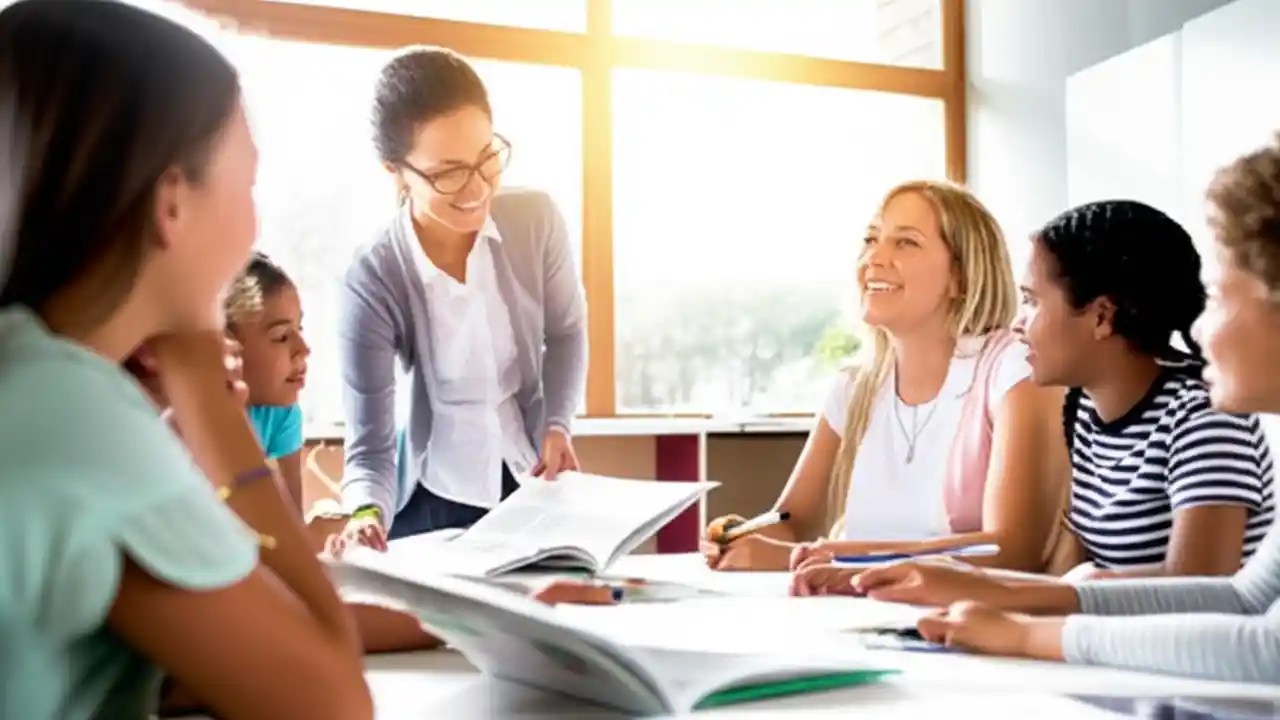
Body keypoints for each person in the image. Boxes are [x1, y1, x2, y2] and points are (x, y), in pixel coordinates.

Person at [0, 2, 372, 718]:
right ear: (171, 202)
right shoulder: (70, 413)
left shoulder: (29, 377)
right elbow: (329, 703)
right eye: (250, 182)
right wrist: (203, 385)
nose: (256, 221)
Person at [804, 138, 1280, 683]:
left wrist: (1026, 630)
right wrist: (972, 587)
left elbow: (1253, 634)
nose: (1197, 328)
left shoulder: (1199, 414)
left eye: (1219, 298)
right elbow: (1246, 597)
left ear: (1101, 317)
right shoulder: (1081, 412)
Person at [701, 180, 1070, 572]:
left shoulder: (1012, 369)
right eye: (871, 239)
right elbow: (789, 526)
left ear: (960, 277)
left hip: (966, 624)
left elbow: (1010, 552)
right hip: (864, 618)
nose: (874, 258)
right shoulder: (854, 387)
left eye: (906, 242)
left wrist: (840, 560)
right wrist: (742, 539)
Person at [334, 46, 587, 551]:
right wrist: (364, 513)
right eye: (448, 172)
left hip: (528, 481)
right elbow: (370, 447)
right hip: (428, 499)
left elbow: (566, 330)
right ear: (396, 171)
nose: (476, 186)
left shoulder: (535, 221)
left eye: (487, 158)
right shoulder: (373, 276)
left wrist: (557, 423)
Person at [224, 252, 310, 511]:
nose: (304, 349)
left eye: (300, 330)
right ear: (227, 343)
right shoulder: (185, 422)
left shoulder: (281, 415)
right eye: (282, 336)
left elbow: (292, 521)